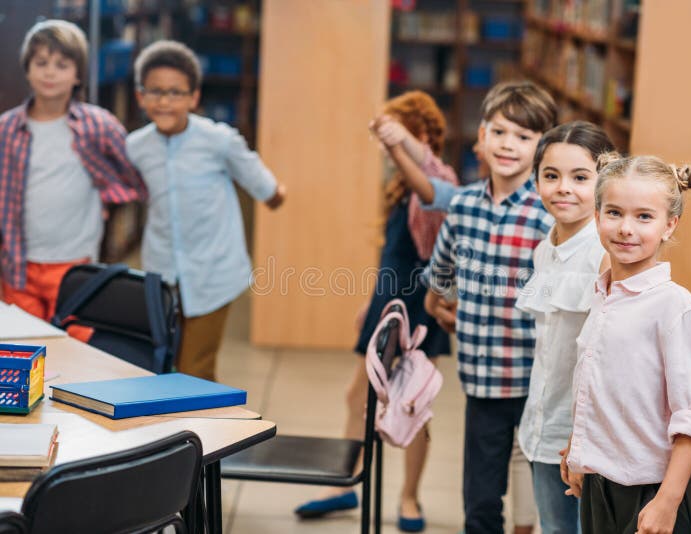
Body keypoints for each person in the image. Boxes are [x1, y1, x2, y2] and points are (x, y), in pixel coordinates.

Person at [294, 90, 457, 532]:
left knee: (412, 405)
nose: (388, 151)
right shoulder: (402, 184)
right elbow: (393, 254)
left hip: (417, 310)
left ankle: (408, 496)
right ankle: (346, 479)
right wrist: (372, 301)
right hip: (388, 304)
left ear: (418, 134)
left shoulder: (435, 177)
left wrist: (399, 138)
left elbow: (432, 171)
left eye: (397, 139)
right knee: (358, 396)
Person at [424, 80, 558, 533]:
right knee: (480, 501)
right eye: (499, 132)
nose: (508, 145)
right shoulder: (462, 206)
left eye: (524, 137)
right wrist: (449, 310)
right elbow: (438, 281)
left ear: (543, 149)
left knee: (530, 504)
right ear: (481, 136)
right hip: (482, 381)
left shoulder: (550, 217)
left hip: (537, 381)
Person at [561, 154, 691, 534]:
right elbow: (596, 382)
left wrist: (666, 502)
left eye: (644, 217)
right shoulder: (604, 293)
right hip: (601, 484)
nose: (625, 228)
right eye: (614, 212)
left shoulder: (673, 307)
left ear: (669, 225)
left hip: (656, 492)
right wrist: (580, 451)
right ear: (596, 215)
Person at [126, 40, 286, 382]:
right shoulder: (135, 147)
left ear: (194, 97)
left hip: (214, 271)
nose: (165, 101)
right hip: (162, 271)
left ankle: (198, 432)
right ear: (140, 96)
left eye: (175, 92)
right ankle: (180, 428)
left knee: (194, 368)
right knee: (163, 362)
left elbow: (265, 186)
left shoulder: (219, 141)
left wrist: (275, 194)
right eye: (155, 91)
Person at [0, 19, 145, 320]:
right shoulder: (7, 128)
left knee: (75, 348)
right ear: (27, 68)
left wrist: (110, 195)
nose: (50, 72)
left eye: (62, 64)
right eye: (41, 62)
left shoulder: (98, 125)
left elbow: (135, 171)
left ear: (78, 74)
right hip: (18, 264)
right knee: (26, 351)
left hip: (76, 263)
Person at [515, 121, 616, 534]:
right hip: (543, 420)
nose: (563, 188)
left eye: (580, 177)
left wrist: (582, 436)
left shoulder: (605, 253)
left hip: (582, 434)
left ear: (604, 181)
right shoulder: (546, 247)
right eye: (551, 176)